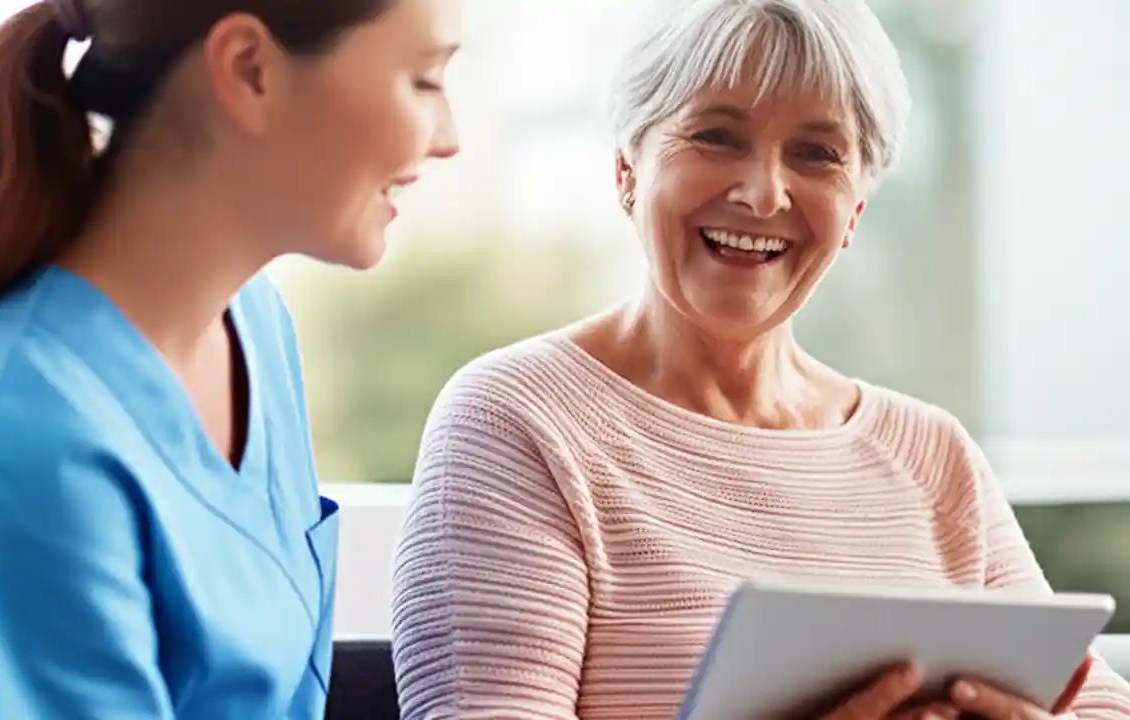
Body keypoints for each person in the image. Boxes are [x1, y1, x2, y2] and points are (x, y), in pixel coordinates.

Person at [389, 0, 1130, 718]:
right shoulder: (517, 420)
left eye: (817, 153)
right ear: (626, 171)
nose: (762, 192)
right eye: (716, 136)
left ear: (854, 213)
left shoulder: (930, 454)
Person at [0, 0, 459, 717]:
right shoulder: (14, 438)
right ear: (249, 70)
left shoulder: (255, 328)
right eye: (423, 81)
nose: (448, 138)